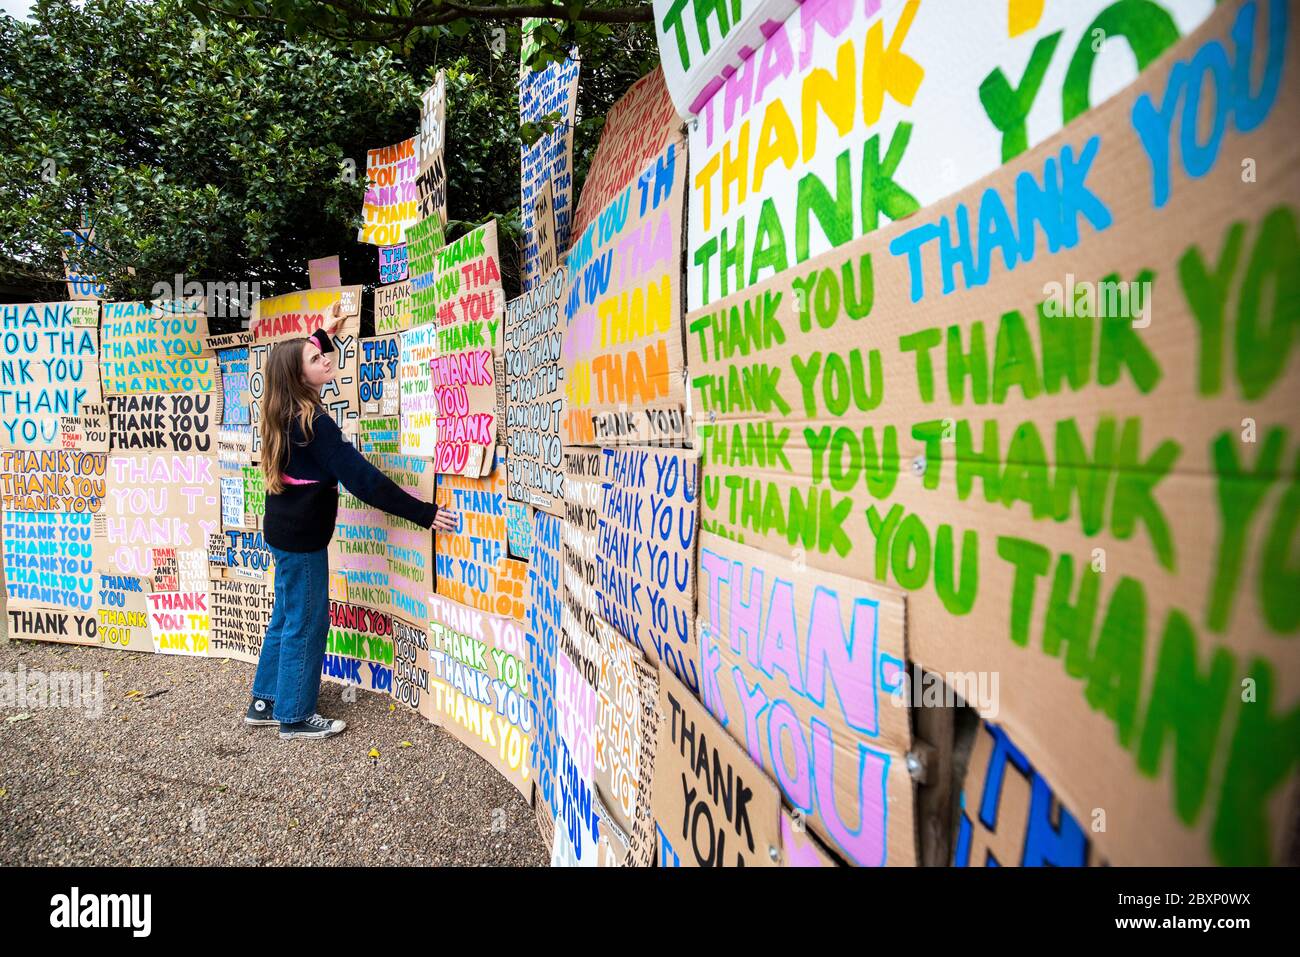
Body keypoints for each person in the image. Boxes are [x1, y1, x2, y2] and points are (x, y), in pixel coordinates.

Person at [244, 304, 457, 740]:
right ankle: (295, 716)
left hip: (284, 532)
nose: (326, 360)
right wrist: (425, 512)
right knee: (308, 621)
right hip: (302, 540)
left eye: (322, 354)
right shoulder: (314, 423)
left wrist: (326, 331)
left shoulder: (283, 410)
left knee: (286, 616)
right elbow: (365, 481)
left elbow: (303, 352)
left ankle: (266, 701)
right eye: (317, 359)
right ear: (299, 375)